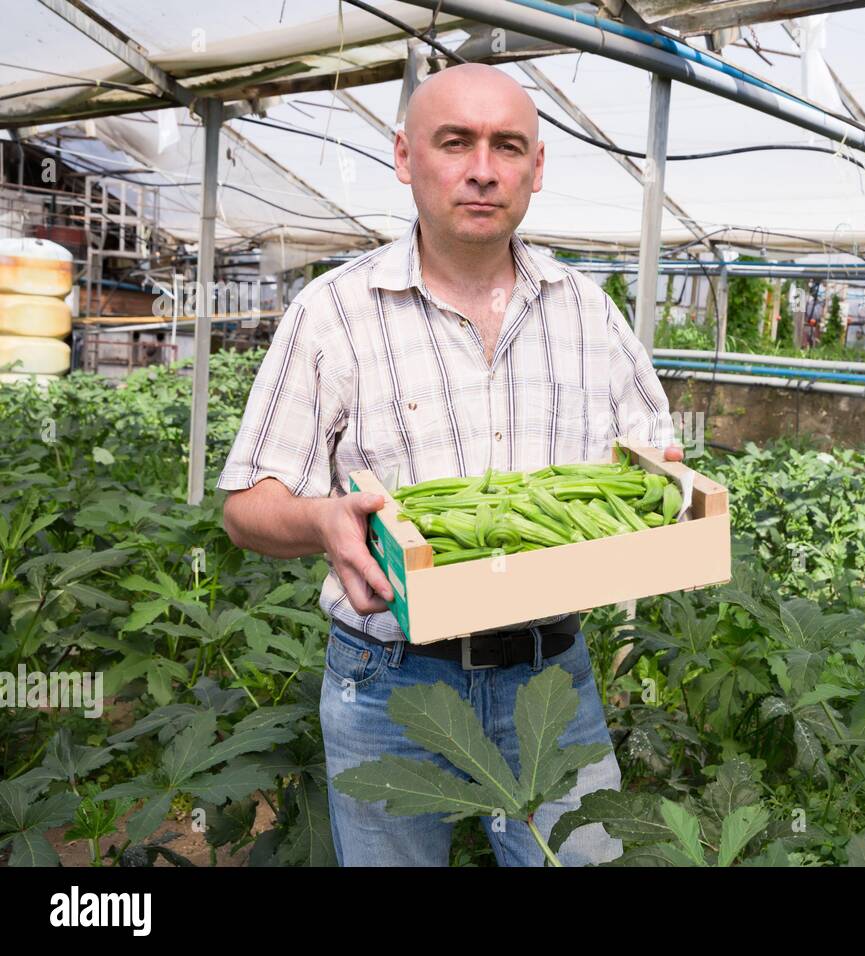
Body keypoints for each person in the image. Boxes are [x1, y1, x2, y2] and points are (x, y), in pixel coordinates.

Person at [218, 62, 683, 866]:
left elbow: (657, 469)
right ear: (405, 158)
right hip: (390, 680)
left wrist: (664, 490)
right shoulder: (331, 313)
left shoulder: (589, 312)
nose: (482, 168)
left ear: (536, 169)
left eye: (508, 146)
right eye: (455, 142)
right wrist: (322, 521)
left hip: (551, 681)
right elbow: (244, 504)